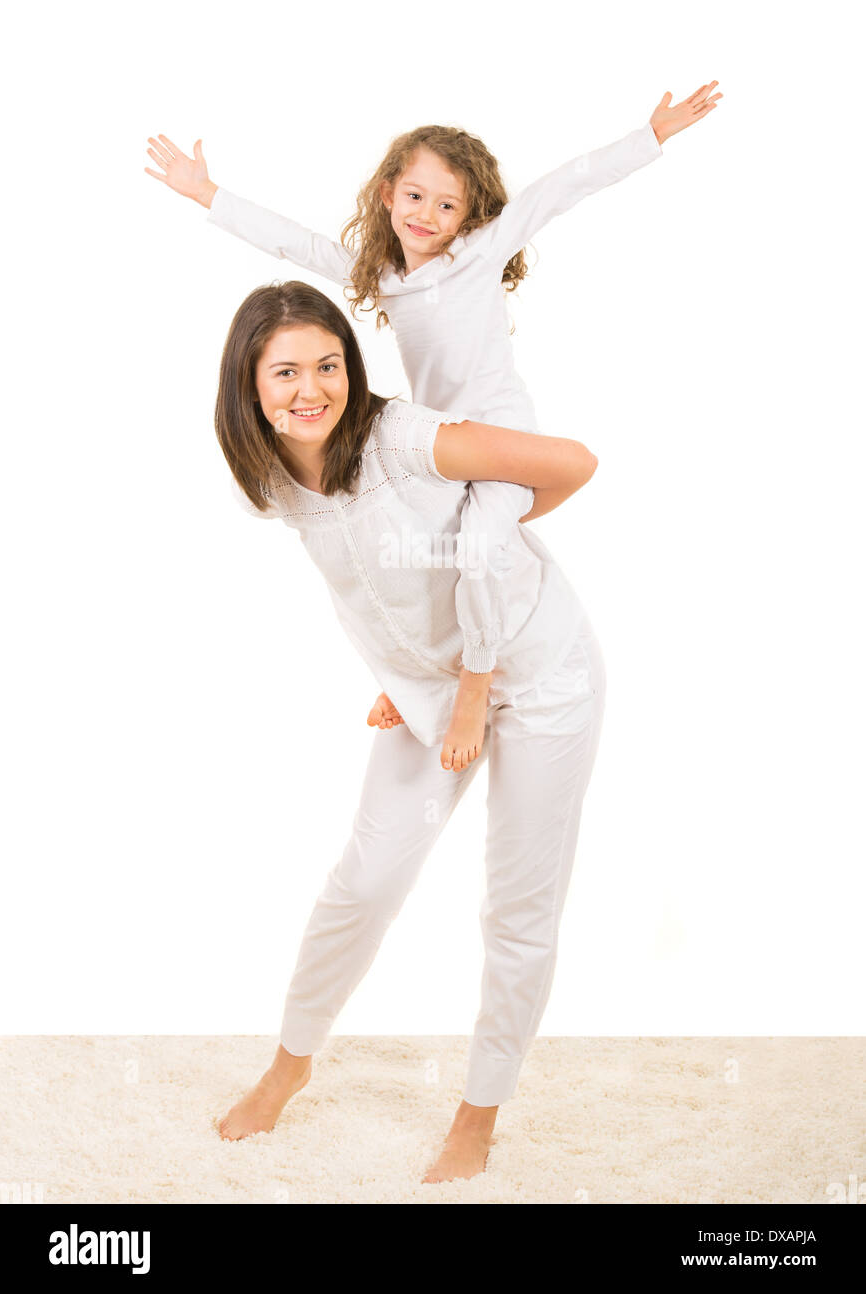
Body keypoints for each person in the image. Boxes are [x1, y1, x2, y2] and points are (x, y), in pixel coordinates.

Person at [144, 81, 721, 774]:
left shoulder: (476, 254)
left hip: (496, 431)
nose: (427, 214)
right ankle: (417, 678)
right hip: (435, 440)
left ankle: (474, 686)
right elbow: (293, 245)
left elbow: (560, 188)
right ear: (387, 194)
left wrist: (650, 135)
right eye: (414, 196)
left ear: (470, 215)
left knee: (477, 550)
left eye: (447, 204)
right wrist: (208, 194)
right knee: (412, 555)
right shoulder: (381, 276)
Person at [208, 278, 605, 1183]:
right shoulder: (266, 480)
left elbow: (572, 462)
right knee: (366, 878)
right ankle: (289, 1067)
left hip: (538, 669)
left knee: (516, 906)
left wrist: (484, 542)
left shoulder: (406, 438)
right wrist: (399, 669)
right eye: (284, 373)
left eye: (328, 364)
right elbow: (361, 579)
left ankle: (476, 1116)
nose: (310, 389)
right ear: (248, 385)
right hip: (430, 684)